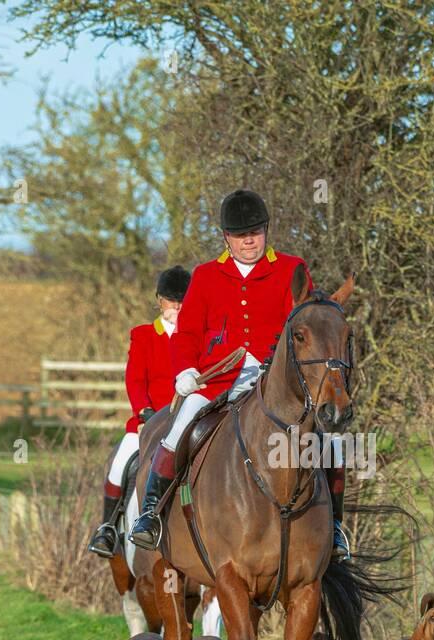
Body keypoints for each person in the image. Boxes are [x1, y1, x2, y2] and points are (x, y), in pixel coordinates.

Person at [128, 189, 349, 559]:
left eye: (256, 232)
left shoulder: (291, 268)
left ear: (266, 231)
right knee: (179, 427)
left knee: (330, 444)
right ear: (225, 237)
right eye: (240, 234)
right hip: (217, 379)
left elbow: (307, 325)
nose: (249, 241)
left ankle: (336, 529)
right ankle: (150, 515)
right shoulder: (206, 275)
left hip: (276, 380)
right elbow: (186, 333)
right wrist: (185, 370)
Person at [88, 265, 189, 556]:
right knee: (121, 465)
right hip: (148, 420)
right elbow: (134, 379)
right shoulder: (144, 335)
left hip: (188, 417)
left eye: (183, 300)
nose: (178, 306)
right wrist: (143, 411)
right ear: (160, 300)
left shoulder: (198, 336)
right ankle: (107, 528)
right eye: (172, 300)